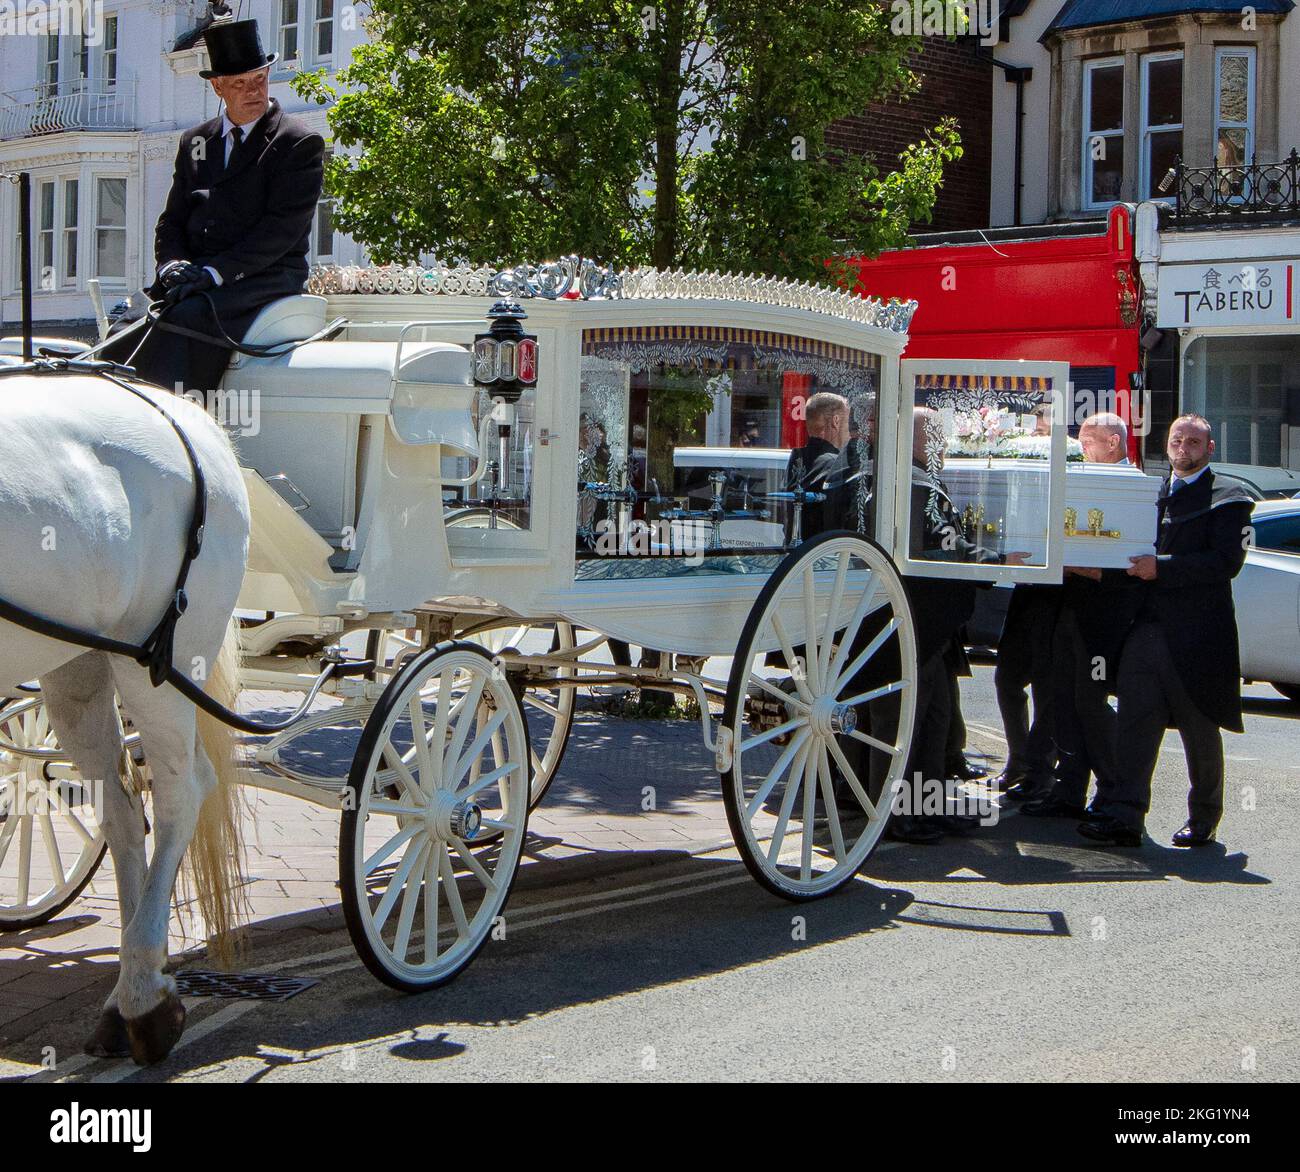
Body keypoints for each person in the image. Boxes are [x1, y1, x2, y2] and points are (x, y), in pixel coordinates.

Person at [105, 18, 324, 396]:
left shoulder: (297, 143)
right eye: (240, 83)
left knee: (187, 319)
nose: (252, 91)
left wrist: (214, 273)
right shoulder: (196, 141)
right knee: (128, 320)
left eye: (259, 79)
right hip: (196, 278)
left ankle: (177, 420)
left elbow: (279, 234)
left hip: (262, 278)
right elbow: (172, 221)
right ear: (217, 85)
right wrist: (172, 265)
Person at [1081, 415, 1253, 847]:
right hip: (1145, 631)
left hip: (1197, 636)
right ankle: (1125, 815)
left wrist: (1163, 567)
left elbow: (1225, 563)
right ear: (1168, 444)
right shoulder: (1149, 491)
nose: (1184, 447)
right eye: (1177, 440)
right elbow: (1126, 550)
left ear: (1209, 449)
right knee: (1135, 724)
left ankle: (1204, 817)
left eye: (1194, 442)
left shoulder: (1230, 498)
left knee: (1200, 727)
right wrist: (1095, 567)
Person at [868, 408, 1027, 844]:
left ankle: (928, 809)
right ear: (918, 439)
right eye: (936, 436)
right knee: (905, 726)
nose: (943, 444)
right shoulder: (913, 483)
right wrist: (996, 560)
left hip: (927, 625)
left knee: (933, 722)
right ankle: (897, 817)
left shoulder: (907, 478)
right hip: (912, 621)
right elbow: (945, 543)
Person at [1022, 412, 1131, 819]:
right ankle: (1069, 790)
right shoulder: (1081, 478)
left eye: (1087, 441)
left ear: (1114, 443)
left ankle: (1111, 788)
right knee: (1062, 699)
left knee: (1092, 703)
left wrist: (1088, 567)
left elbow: (1131, 553)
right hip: (1067, 608)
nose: (1080, 448)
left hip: (1105, 615)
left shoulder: (1130, 484)